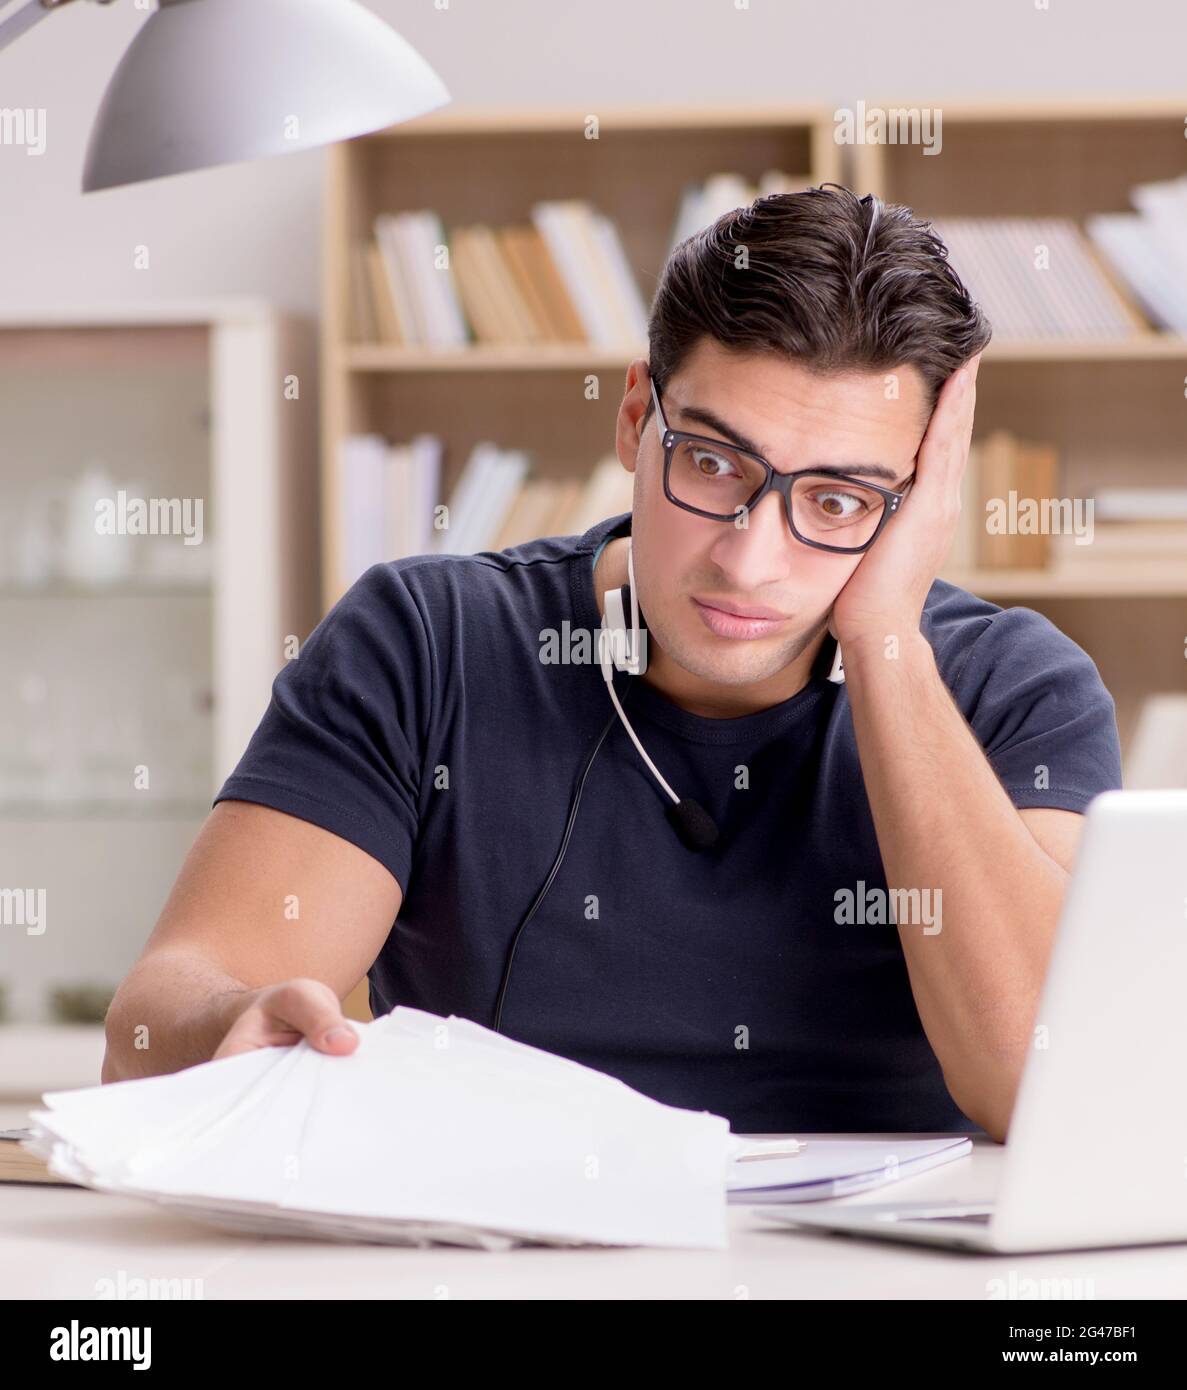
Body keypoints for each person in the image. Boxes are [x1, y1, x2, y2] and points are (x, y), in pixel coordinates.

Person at [103, 186, 1121, 1142]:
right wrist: (229, 1023)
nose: (747, 556)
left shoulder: (1015, 688)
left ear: (916, 509)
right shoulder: (422, 642)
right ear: (635, 417)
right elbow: (151, 1024)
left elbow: (1038, 1085)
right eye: (713, 463)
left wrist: (886, 639)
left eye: (838, 501)